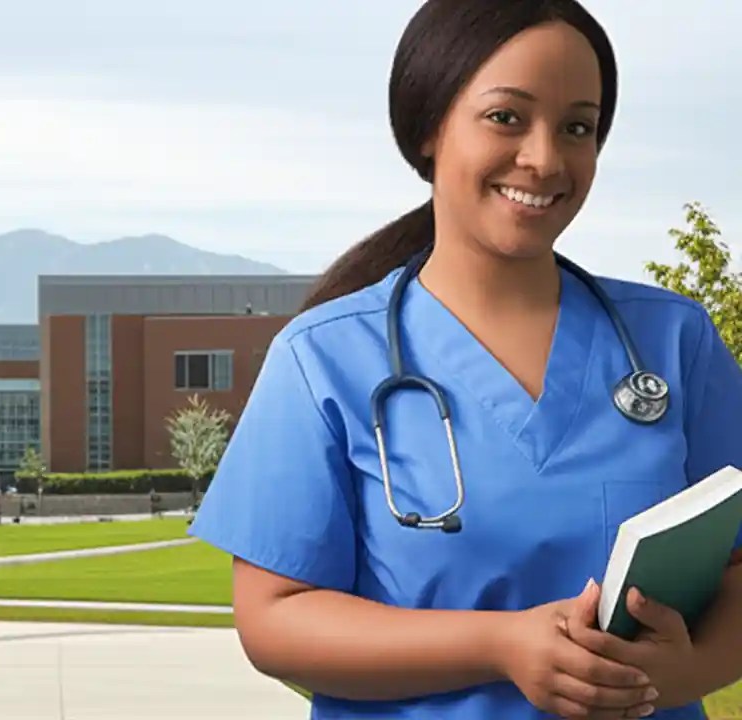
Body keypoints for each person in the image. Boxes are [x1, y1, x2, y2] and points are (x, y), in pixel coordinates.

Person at [187, 1, 742, 719]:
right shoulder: (322, 360)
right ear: (428, 130)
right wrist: (500, 645)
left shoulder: (675, 341)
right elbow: (274, 619)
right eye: (507, 117)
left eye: (577, 126)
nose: (544, 158)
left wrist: (681, 671)